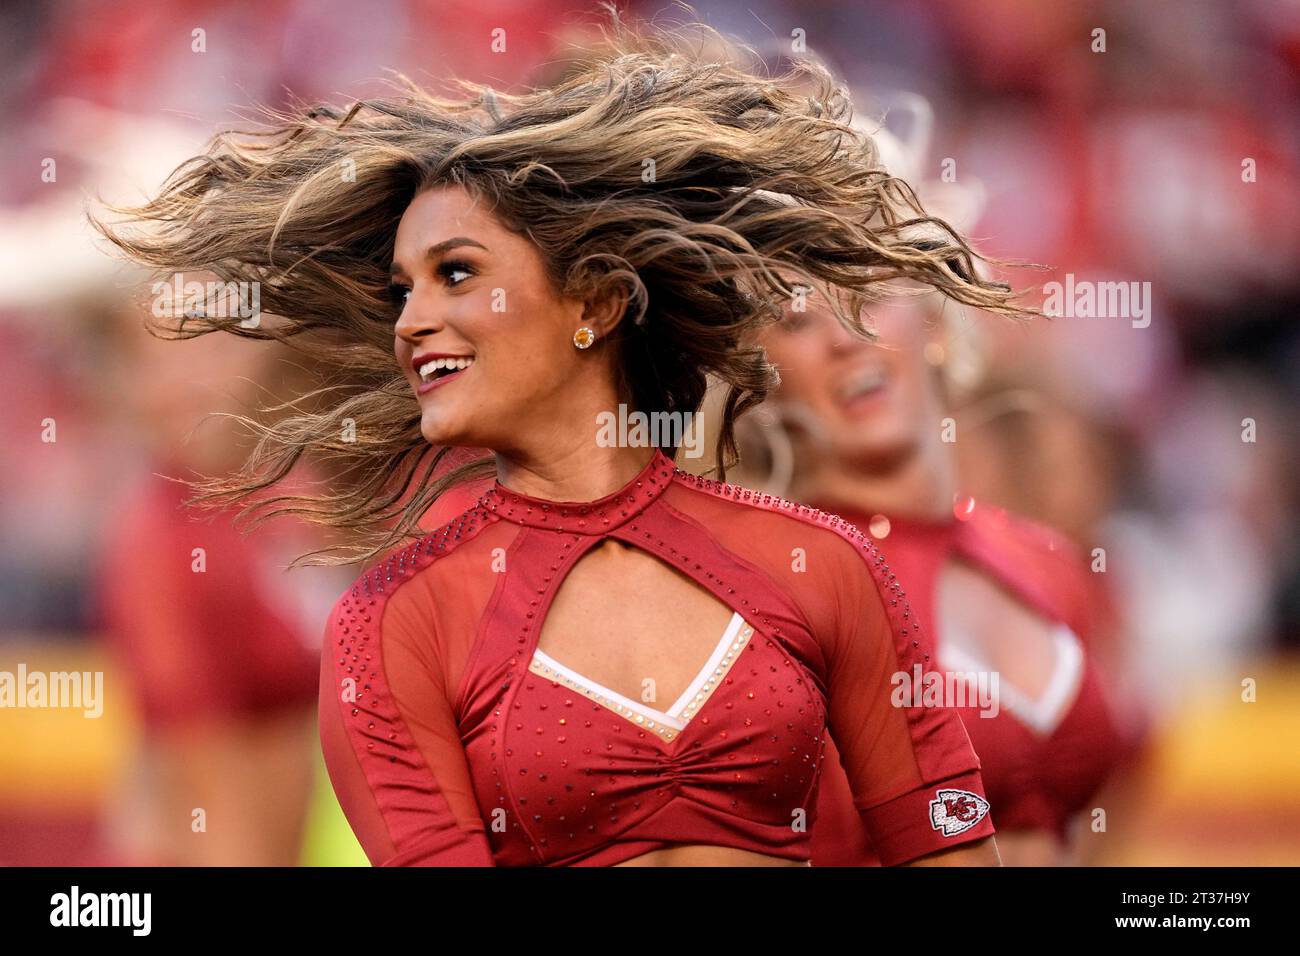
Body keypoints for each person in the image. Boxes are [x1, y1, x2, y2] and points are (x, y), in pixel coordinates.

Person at [93, 11, 1035, 866]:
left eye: (456, 274)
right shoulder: (395, 624)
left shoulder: (825, 567)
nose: (413, 321)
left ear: (595, 299)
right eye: (402, 291)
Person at [750, 278, 1139, 865]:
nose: (845, 338)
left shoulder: (1045, 560)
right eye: (799, 320)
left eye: (865, 296)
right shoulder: (778, 594)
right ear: (758, 378)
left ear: (930, 317)